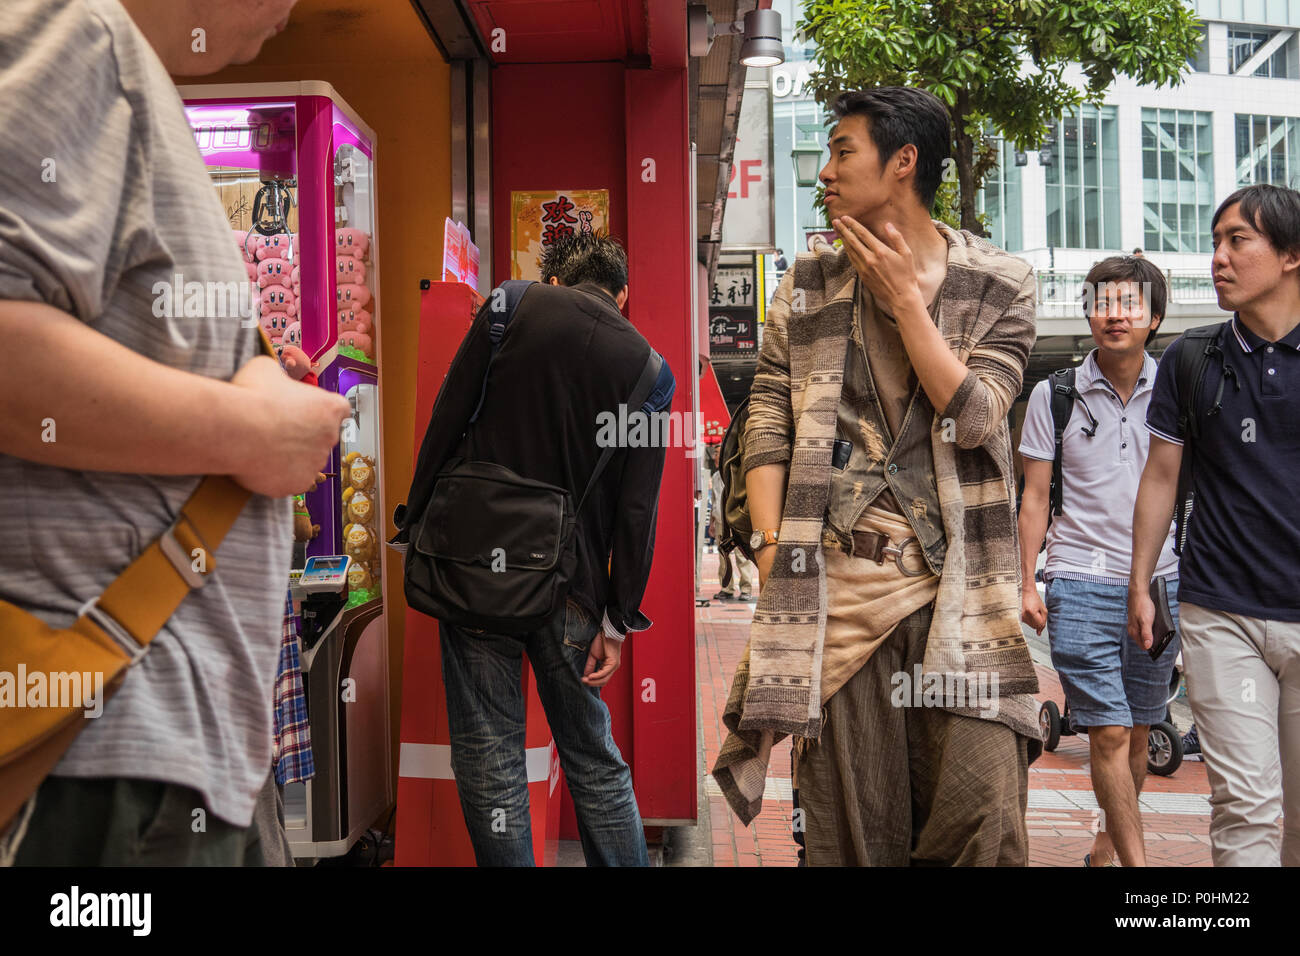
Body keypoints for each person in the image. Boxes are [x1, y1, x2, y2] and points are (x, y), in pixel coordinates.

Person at [0, 0, 348, 866]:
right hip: (103, 754)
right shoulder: (77, 34)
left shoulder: (121, 69)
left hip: (148, 751)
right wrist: (243, 431)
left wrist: (253, 388)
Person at [713, 86, 1042, 866]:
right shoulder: (811, 281)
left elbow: (976, 418)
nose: (823, 172)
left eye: (841, 151)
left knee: (984, 817)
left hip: (964, 590)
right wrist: (768, 556)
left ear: (903, 162)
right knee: (853, 835)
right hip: (840, 592)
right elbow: (766, 419)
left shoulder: (1000, 282)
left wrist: (905, 301)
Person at [405, 233, 673, 866]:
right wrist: (618, 616)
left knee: (488, 754)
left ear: (555, 280)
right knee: (593, 759)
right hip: (572, 587)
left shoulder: (509, 306)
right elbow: (638, 511)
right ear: (623, 295)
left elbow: (448, 417)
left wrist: (414, 520)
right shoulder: (649, 371)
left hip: (473, 567)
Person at [1130, 183, 1300, 867]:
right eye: (1216, 241)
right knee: (1248, 805)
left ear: (1291, 255)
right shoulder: (1192, 358)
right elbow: (1162, 478)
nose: (1218, 258)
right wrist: (1141, 584)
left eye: (1239, 240)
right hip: (1219, 609)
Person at [1019, 255, 1179, 867]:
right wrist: (1026, 581)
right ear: (1088, 311)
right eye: (1103, 302)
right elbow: (1034, 497)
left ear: (1154, 317)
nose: (1116, 315)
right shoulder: (1053, 395)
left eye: (1131, 304)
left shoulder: (1175, 390)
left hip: (1160, 581)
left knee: (1139, 730)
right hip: (1079, 580)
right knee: (1107, 730)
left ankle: (1107, 848)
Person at [708, 444, 754, 601]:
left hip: (736, 520)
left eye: (719, 454)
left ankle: (746, 589)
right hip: (721, 520)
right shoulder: (714, 477)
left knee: (742, 554)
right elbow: (714, 500)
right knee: (723, 555)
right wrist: (712, 523)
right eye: (715, 454)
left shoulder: (736, 473)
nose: (716, 457)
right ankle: (726, 588)